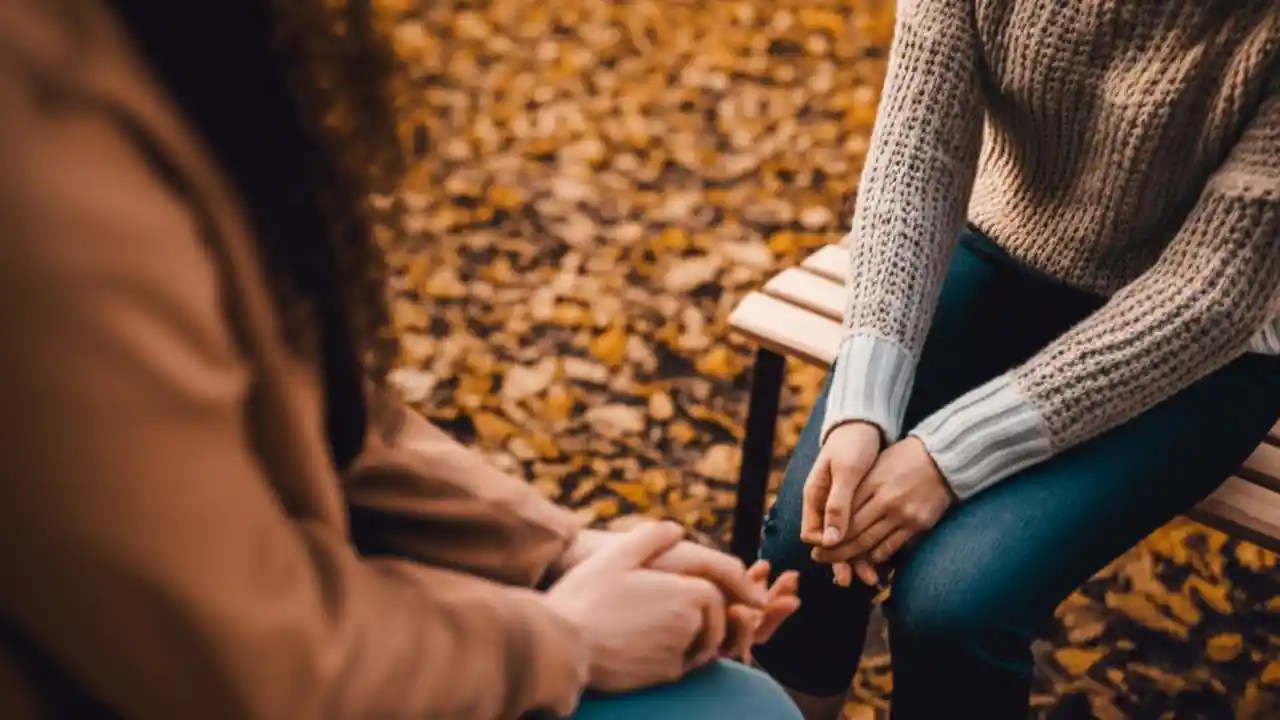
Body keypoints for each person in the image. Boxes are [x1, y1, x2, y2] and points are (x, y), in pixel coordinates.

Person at [0, 2, 804, 718]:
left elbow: (298, 392)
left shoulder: (162, 40)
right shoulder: (42, 140)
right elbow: (245, 661)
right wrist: (562, 640)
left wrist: (555, 549)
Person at [752, 1, 1280, 718]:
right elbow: (917, 156)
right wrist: (860, 408)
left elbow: (1213, 294)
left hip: (1216, 342)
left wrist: (947, 455)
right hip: (1010, 248)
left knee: (954, 607)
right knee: (808, 543)